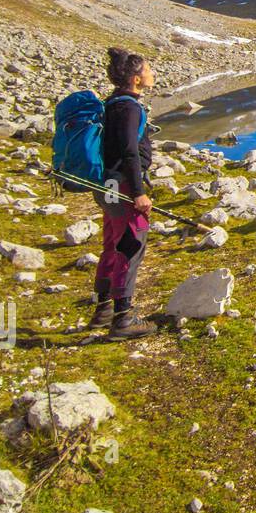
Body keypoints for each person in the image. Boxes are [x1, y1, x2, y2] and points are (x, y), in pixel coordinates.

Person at [91, 47, 157, 340]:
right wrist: (140, 193)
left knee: (111, 244)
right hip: (125, 187)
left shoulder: (111, 104)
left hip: (107, 185)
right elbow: (129, 152)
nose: (152, 73)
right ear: (136, 78)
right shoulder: (130, 108)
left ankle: (102, 309)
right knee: (131, 245)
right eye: (148, 69)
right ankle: (123, 319)